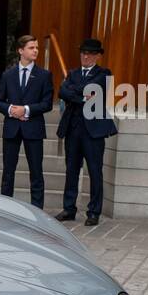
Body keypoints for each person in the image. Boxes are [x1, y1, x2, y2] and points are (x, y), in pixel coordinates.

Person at [55, 38, 117, 227]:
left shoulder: (104, 74)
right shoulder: (72, 73)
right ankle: (69, 208)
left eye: (90, 53)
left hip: (93, 132)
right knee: (71, 169)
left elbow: (93, 91)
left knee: (94, 171)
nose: (85, 56)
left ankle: (93, 212)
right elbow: (62, 92)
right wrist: (81, 96)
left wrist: (74, 93)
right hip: (73, 129)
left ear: (98, 56)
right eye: (83, 53)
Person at [0, 35, 53, 209]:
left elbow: (47, 103)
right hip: (12, 129)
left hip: (33, 129)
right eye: (31, 48)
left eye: (37, 48)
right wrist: (12, 110)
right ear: (20, 51)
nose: (35, 50)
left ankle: (37, 210)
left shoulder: (44, 75)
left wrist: (26, 110)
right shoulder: (8, 75)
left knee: (36, 172)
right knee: (8, 172)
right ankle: (5, 208)